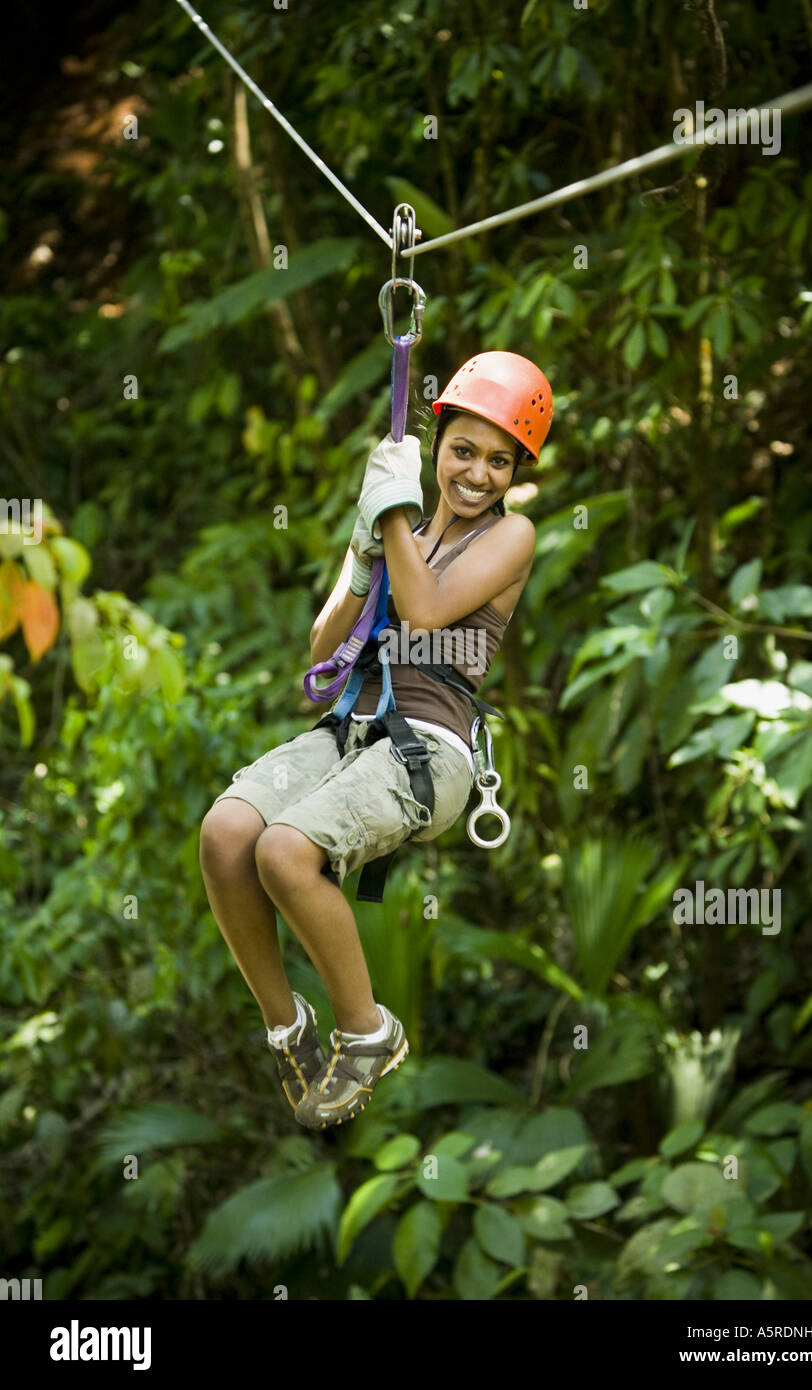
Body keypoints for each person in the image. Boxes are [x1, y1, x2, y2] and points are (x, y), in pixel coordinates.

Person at [198, 351, 554, 1131]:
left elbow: (425, 613)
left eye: (500, 462)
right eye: (464, 450)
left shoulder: (511, 538)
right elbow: (324, 645)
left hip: (429, 745)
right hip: (354, 725)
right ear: (436, 446)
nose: (477, 474)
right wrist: (364, 556)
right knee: (227, 833)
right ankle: (287, 1029)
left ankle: (365, 1032)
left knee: (284, 852)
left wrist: (391, 513)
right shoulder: (400, 528)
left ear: (516, 474)